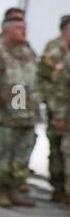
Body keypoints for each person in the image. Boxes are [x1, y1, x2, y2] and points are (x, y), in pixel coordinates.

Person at [0, 15, 40, 208]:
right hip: (3, 117)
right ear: (5, 31)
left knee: (21, 156)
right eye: (18, 28)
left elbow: (31, 84)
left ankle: (15, 189)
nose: (23, 32)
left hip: (26, 115)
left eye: (24, 28)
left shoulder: (28, 53)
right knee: (2, 156)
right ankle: (0, 190)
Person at [37, 15, 70, 204]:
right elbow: (46, 81)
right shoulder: (53, 50)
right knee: (57, 149)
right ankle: (59, 187)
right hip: (57, 107)